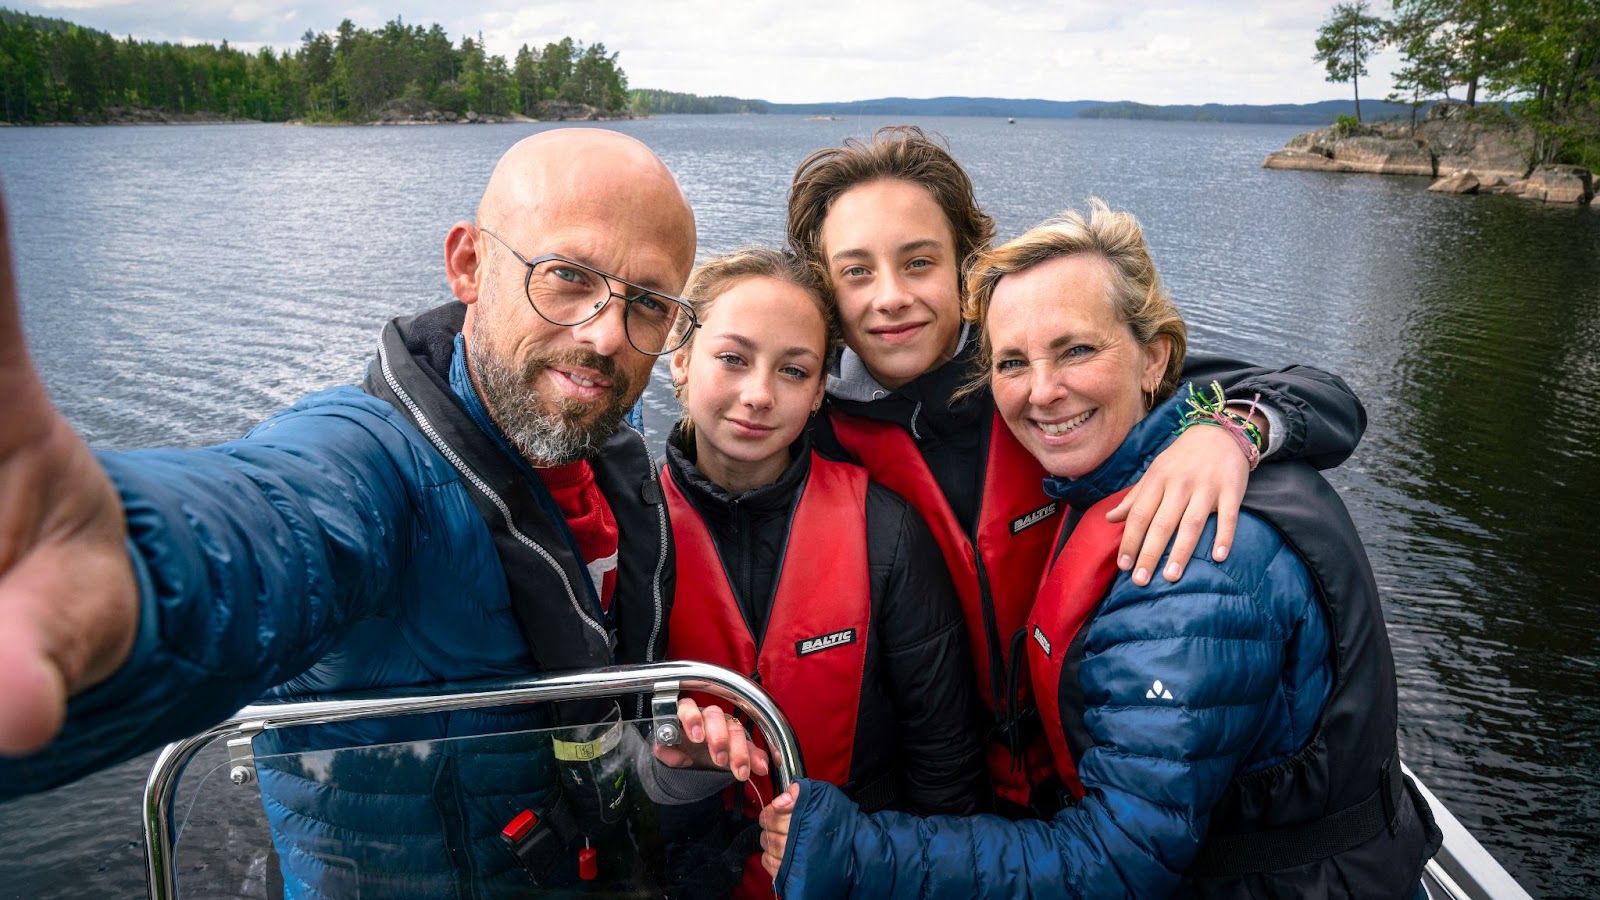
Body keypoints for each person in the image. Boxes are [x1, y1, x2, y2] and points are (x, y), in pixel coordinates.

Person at [0, 130, 762, 896]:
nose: (603, 334)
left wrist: (678, 769)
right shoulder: (373, 459)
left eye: (648, 302)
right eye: (566, 275)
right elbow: (272, 523)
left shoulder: (612, 463)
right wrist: (114, 577)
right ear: (470, 265)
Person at [757, 201, 1442, 898]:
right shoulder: (1145, 438)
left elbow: (1116, 863)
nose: (1043, 391)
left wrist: (855, 852)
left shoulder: (1190, 557)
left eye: (1077, 350)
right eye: (1012, 362)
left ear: (1155, 358)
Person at [788, 125, 1372, 816]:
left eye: (919, 262)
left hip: (1092, 764)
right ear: (827, 289)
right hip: (943, 784)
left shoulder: (1045, 380)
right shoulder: (811, 430)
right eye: (856, 271)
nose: (889, 296)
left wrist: (1230, 430)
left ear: (964, 266)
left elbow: (1323, 396)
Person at [657, 248, 985, 896]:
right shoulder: (630, 532)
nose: (758, 395)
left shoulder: (886, 532)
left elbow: (945, 760)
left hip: (855, 873)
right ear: (682, 360)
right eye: (733, 358)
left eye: (793, 370)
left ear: (817, 395)